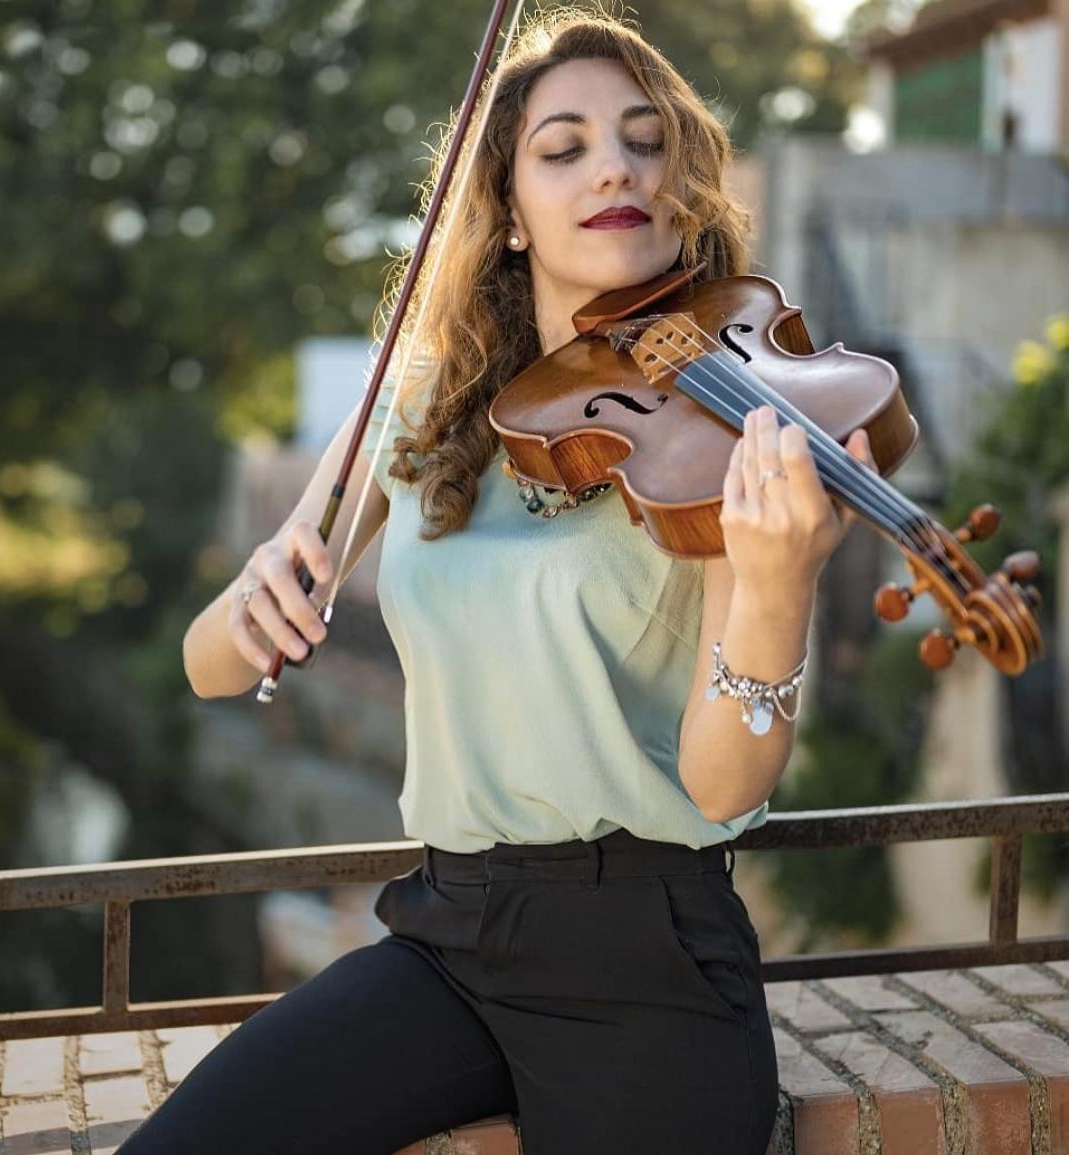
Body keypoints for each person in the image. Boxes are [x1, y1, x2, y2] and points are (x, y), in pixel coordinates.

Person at [124, 9, 875, 1154]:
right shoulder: (422, 405)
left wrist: (778, 591)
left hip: (648, 961)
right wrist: (260, 587)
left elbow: (723, 784)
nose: (615, 166)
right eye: (564, 148)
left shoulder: (727, 432)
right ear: (510, 213)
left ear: (681, 187)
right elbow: (209, 668)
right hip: (448, 934)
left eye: (645, 140)